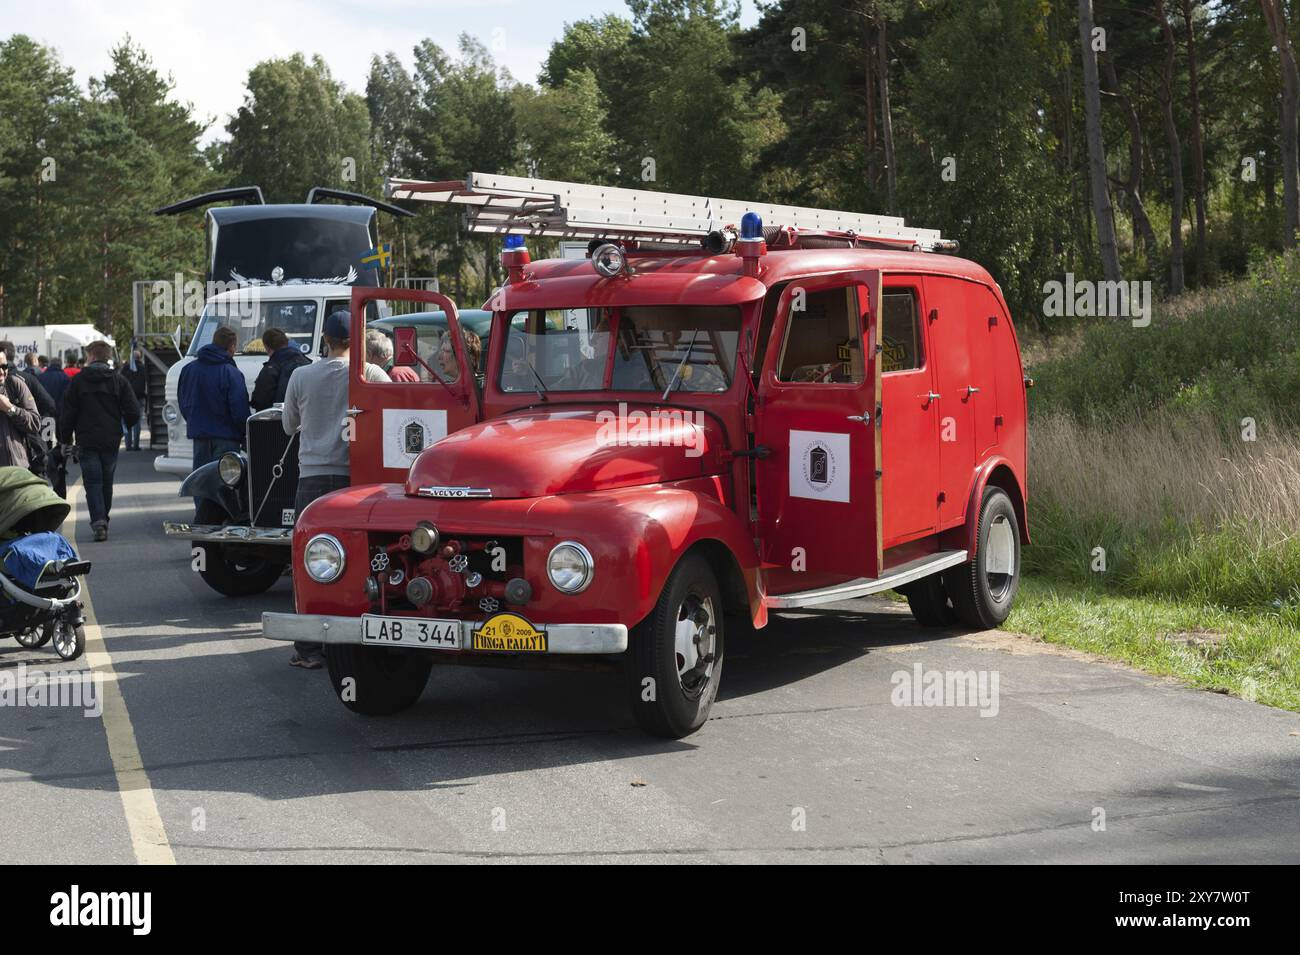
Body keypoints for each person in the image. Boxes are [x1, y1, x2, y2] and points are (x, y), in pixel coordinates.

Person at [281, 309, 388, 669]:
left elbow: (288, 425)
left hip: (312, 476)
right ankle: (359, 635)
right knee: (357, 562)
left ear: (325, 340)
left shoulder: (301, 375)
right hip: (355, 479)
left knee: (309, 562)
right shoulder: (370, 373)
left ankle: (309, 648)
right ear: (356, 342)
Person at [57, 341, 139, 542]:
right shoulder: (118, 381)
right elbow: (134, 411)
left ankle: (99, 522)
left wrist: (64, 439)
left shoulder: (78, 382)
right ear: (107, 356)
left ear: (92, 356)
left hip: (86, 439)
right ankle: (103, 519)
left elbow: (68, 414)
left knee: (92, 482)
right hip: (110, 439)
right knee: (106, 482)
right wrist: (124, 428)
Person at [178, 326, 250, 518]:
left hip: (200, 438)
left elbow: (184, 403)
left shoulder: (188, 370)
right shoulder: (230, 373)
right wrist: (244, 433)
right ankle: (221, 527)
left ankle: (202, 524)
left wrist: (196, 423)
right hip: (227, 439)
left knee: (202, 484)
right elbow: (239, 410)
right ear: (232, 346)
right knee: (226, 486)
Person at [250, 328, 311, 411]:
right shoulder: (307, 363)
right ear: (286, 342)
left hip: (280, 420)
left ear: (267, 347)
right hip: (305, 418)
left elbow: (260, 400)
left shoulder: (271, 368)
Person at [0, 352, 42, 472]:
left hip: (18, 469)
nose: (2, 372)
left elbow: (35, 423)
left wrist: (11, 409)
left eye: (4, 366)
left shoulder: (15, 384)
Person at [121, 350, 150, 450]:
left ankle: (128, 445)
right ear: (140, 357)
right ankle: (136, 445)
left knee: (126, 421)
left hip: (126, 399)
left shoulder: (125, 368)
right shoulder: (143, 368)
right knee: (137, 422)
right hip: (139, 397)